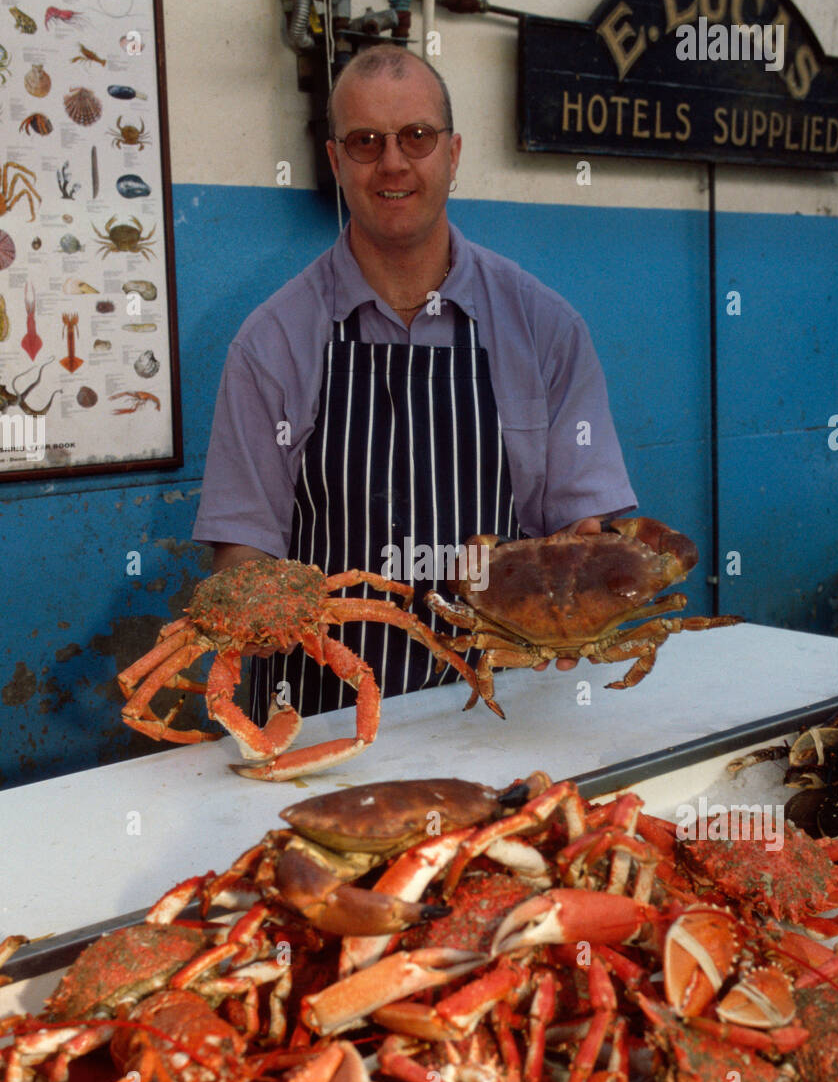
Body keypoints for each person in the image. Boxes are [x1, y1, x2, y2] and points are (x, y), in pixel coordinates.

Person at [193, 44, 636, 723]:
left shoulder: (544, 326)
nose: (393, 162)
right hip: (319, 715)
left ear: (452, 154)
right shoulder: (271, 341)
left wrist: (587, 593)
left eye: (416, 138)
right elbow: (241, 549)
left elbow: (583, 527)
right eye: (366, 142)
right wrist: (242, 607)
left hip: (502, 707)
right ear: (336, 161)